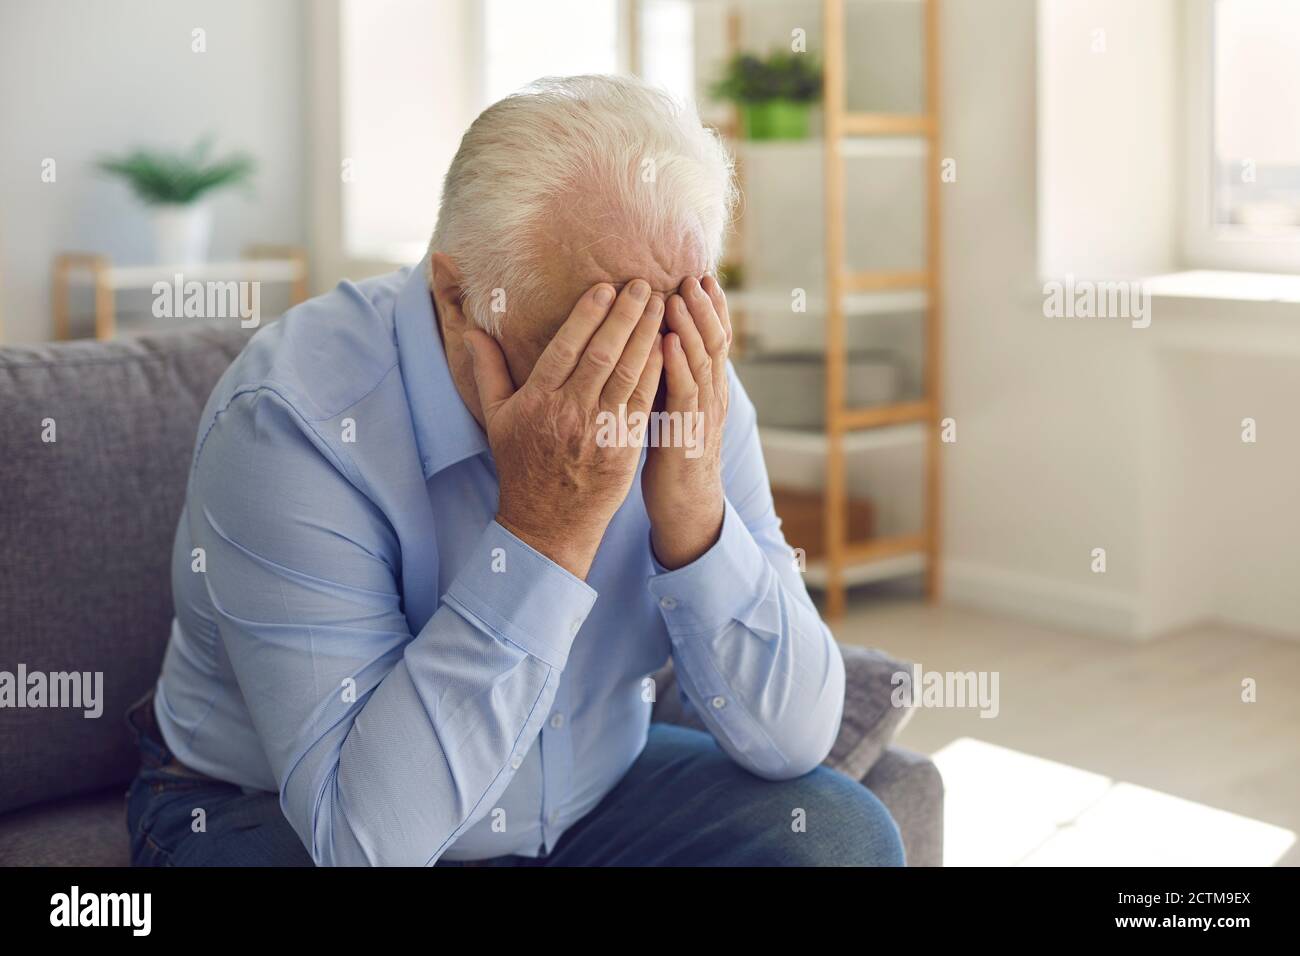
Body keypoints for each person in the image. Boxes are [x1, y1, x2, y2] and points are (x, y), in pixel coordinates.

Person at [126, 75, 904, 867]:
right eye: (592, 341)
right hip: (284, 811)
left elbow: (795, 739)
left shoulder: (687, 374)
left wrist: (696, 509)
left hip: (588, 790)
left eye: (668, 320)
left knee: (841, 838)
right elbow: (363, 842)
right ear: (458, 295)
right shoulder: (292, 418)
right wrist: (545, 527)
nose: (636, 385)